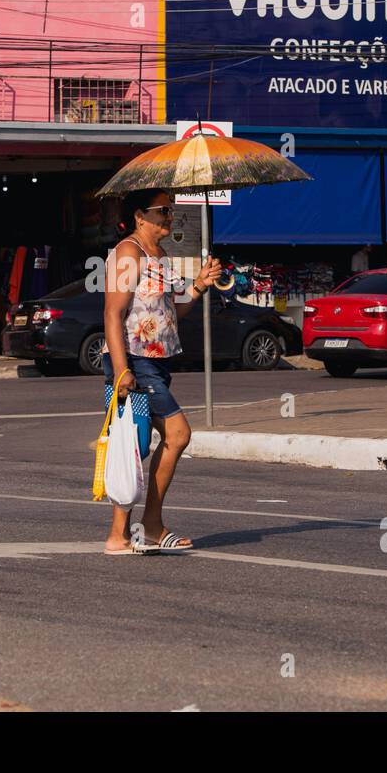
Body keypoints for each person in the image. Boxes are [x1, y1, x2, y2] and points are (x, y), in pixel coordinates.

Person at [102, 188, 220, 555]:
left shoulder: (161, 256)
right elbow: (112, 314)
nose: (170, 216)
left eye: (171, 210)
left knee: (135, 444)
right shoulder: (128, 253)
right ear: (140, 216)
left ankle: (121, 534)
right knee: (178, 433)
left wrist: (199, 284)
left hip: (157, 360)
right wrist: (122, 370)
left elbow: (170, 312)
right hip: (135, 360)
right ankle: (149, 525)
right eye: (163, 211)